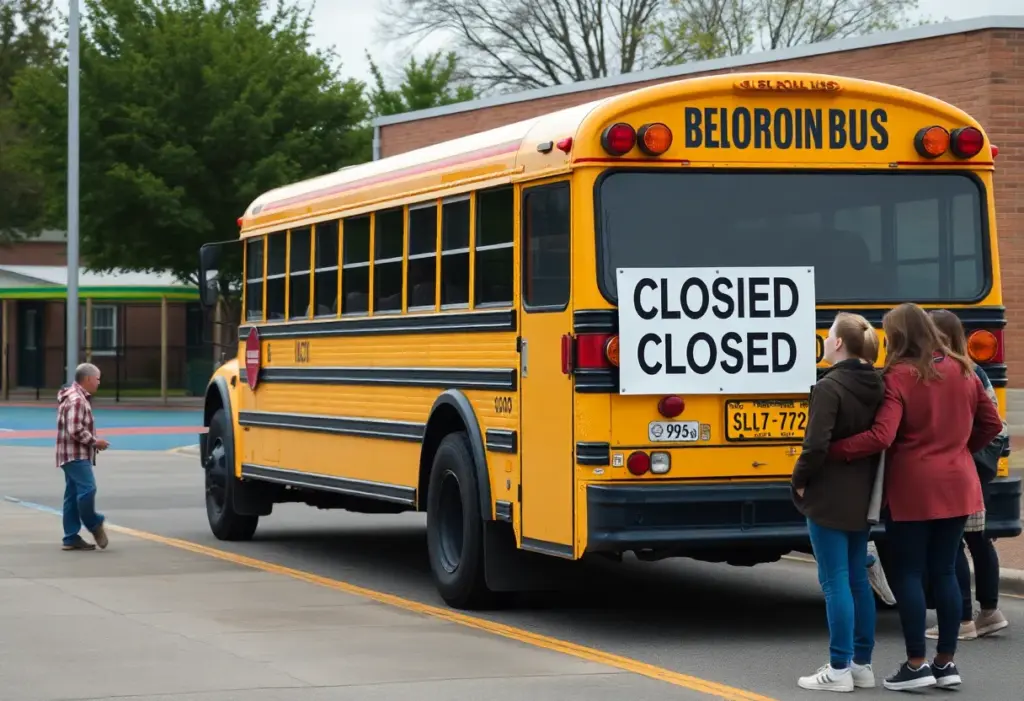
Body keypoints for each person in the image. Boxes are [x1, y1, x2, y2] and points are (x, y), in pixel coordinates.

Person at [827, 303, 1003, 691]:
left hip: (913, 487)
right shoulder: (963, 369)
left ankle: (915, 663)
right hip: (959, 483)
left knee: (908, 572)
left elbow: (882, 436)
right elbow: (991, 423)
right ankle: (946, 663)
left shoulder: (898, 377)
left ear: (899, 336)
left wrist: (836, 450)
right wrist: (957, 449)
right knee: (945, 571)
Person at [791, 312, 885, 692]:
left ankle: (838, 668)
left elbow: (816, 445)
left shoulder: (829, 387)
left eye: (829, 335)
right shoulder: (879, 384)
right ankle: (861, 663)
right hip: (864, 495)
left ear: (840, 343)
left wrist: (799, 480)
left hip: (829, 495)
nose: (826, 341)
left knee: (834, 582)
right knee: (857, 579)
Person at [927, 309, 1009, 640]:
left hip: (962, 464)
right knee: (979, 539)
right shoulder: (975, 371)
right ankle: (989, 611)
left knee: (954, 543)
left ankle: (962, 620)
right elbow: (998, 425)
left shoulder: (949, 371)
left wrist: (964, 449)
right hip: (980, 466)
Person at [56, 363, 111, 551]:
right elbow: (75, 429)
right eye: (97, 379)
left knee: (72, 495)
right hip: (75, 454)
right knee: (88, 489)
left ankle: (71, 537)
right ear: (87, 379)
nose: (99, 383)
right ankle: (94, 524)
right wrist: (95, 442)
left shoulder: (72, 396)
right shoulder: (77, 400)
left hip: (67, 454)